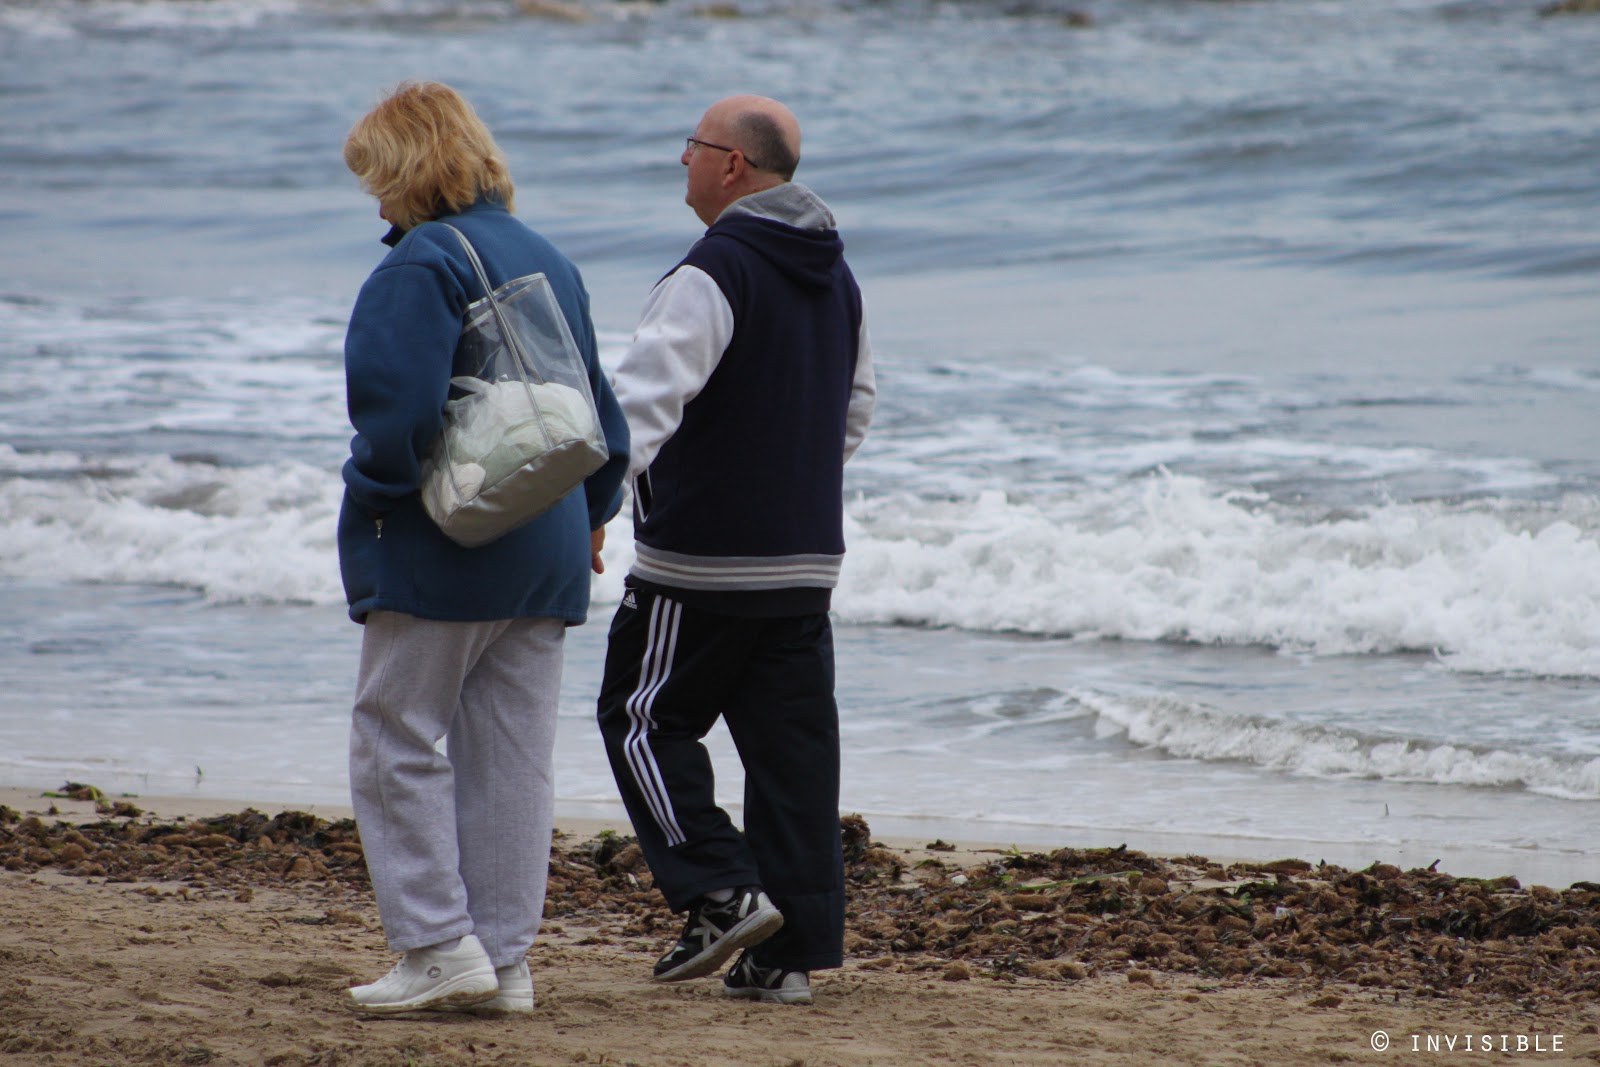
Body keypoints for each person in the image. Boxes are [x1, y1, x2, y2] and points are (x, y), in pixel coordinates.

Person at [336, 81, 628, 1015]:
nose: (377, 205)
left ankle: (434, 943)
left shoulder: (422, 262)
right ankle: (505, 961)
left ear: (411, 168)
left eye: (378, 179)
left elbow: (399, 419)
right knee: (512, 758)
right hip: (549, 533)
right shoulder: (549, 257)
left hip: (451, 537)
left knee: (394, 733)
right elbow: (602, 415)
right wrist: (593, 514)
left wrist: (371, 496)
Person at [596, 95, 876, 1006]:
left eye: (693, 146)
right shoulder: (837, 275)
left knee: (641, 717)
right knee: (792, 758)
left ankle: (720, 891)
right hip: (803, 559)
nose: (682, 160)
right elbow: (855, 411)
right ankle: (784, 959)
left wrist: (591, 504)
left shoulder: (712, 269)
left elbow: (643, 404)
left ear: (733, 165)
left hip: (700, 561)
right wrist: (785, 489)